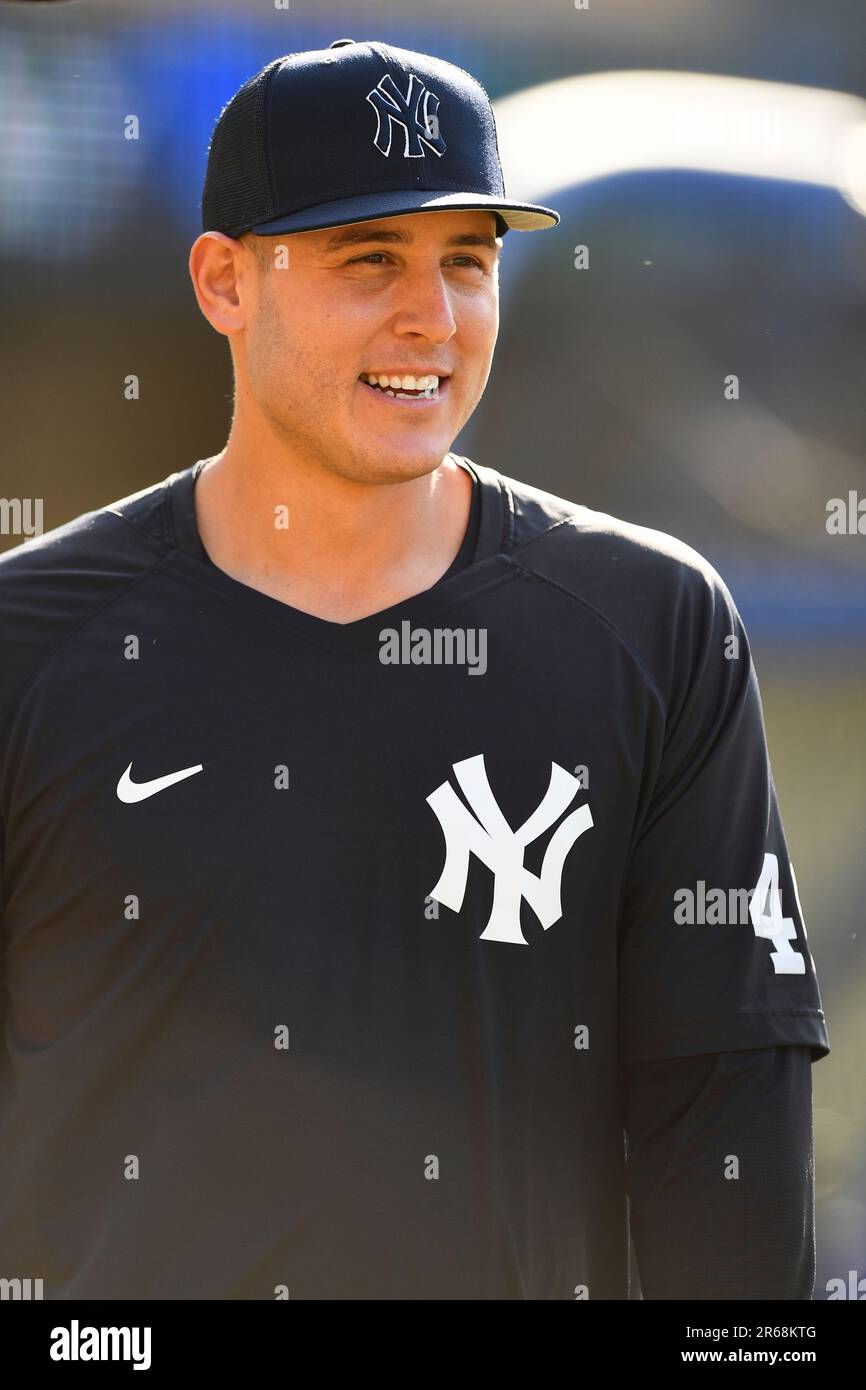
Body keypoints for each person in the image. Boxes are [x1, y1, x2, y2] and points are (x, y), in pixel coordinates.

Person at [0, 38, 829, 1300]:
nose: (430, 318)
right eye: (367, 260)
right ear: (225, 283)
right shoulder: (34, 640)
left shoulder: (651, 622)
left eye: (467, 262)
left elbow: (719, 1109)